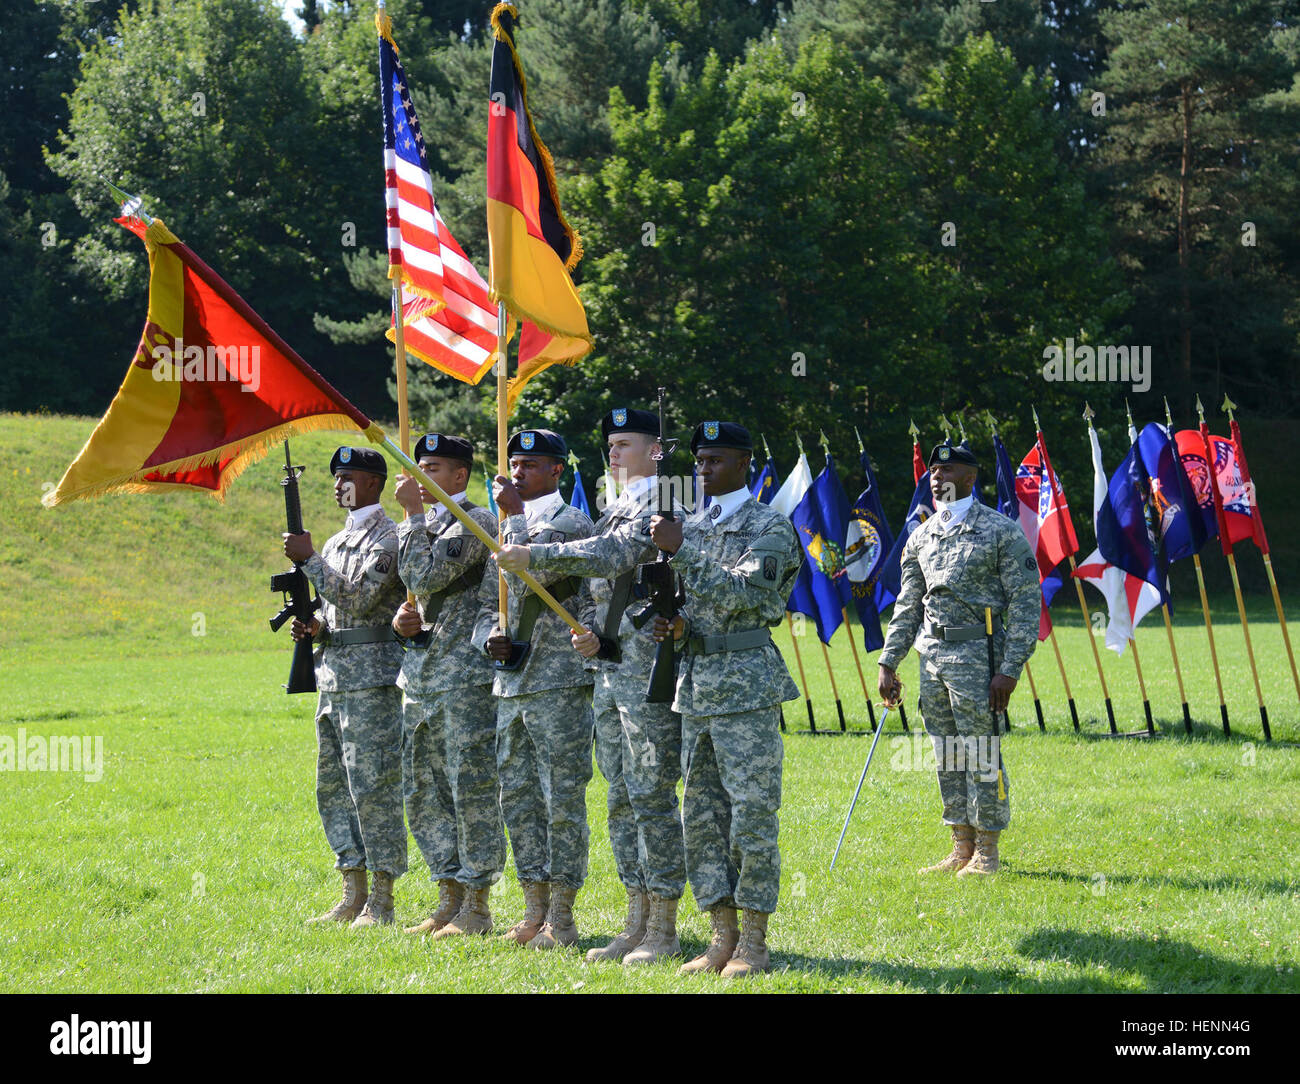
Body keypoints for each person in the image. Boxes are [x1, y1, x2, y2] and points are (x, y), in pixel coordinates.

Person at [495, 407, 688, 965]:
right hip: (612, 666)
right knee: (622, 797)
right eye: (609, 443)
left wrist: (534, 550)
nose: (613, 451)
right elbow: (607, 593)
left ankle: (664, 926)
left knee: (650, 794)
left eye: (625, 443)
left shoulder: (659, 502)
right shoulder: (618, 504)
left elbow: (611, 556)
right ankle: (636, 919)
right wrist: (596, 637)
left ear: (656, 451)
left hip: (646, 668)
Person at [648, 421, 803, 977]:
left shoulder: (771, 526)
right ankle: (721, 933)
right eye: (699, 461)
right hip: (695, 686)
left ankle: (755, 941)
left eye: (716, 460)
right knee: (702, 816)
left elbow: (743, 596)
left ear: (744, 463)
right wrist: (677, 625)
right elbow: (694, 603)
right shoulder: (691, 524)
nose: (704, 470)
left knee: (752, 816)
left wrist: (683, 552)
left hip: (747, 687)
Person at [877, 439, 1040, 877]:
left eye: (948, 470)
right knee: (946, 752)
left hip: (979, 657)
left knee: (981, 751)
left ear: (971, 478)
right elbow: (909, 604)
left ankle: (988, 849)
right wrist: (888, 662)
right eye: (934, 471)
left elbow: (1026, 603)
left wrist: (1009, 668)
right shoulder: (921, 536)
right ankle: (960, 845)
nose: (938, 476)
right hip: (931, 659)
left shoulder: (1000, 531)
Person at [472, 428, 596, 950]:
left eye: (531, 464)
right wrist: (490, 638)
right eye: (514, 463)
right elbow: (487, 604)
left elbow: (535, 570)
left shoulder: (572, 523)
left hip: (560, 682)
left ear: (556, 472)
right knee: (518, 798)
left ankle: (562, 917)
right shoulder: (506, 527)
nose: (518, 472)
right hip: (512, 686)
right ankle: (533, 908)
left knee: (560, 797)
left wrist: (515, 515)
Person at [284, 445, 407, 927]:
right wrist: (316, 628)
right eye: (336, 477)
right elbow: (336, 614)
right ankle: (351, 891)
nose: (339, 485)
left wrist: (310, 559)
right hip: (333, 678)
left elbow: (360, 599)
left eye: (349, 476)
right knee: (333, 787)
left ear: (374, 483)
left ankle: (382, 899)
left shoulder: (390, 539)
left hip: (374, 682)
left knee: (373, 788)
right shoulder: (336, 543)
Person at [390, 433, 505, 939]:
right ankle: (447, 894)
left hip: (463, 679)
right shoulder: (415, 527)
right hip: (419, 676)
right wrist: (403, 621)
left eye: (432, 469)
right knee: (423, 790)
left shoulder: (475, 521)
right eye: (419, 468)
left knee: (470, 787)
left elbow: (427, 574)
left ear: (460, 476)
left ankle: (477, 903)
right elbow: (413, 591)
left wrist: (415, 517)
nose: (421, 477)